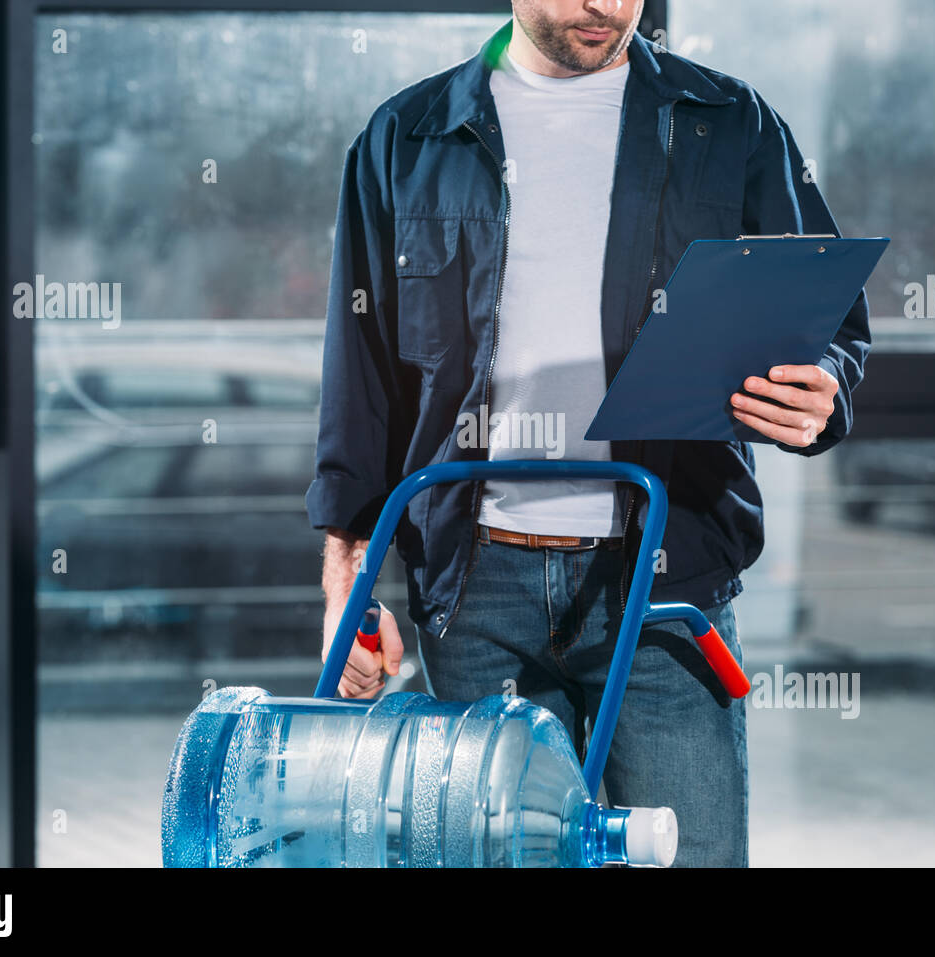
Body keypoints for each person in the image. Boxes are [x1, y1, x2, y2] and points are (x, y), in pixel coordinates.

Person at [307, 0, 870, 867]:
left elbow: (831, 322)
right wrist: (347, 583)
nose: (605, 7)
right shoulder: (406, 139)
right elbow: (362, 387)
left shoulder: (731, 125)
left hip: (668, 586)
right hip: (473, 589)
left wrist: (824, 388)